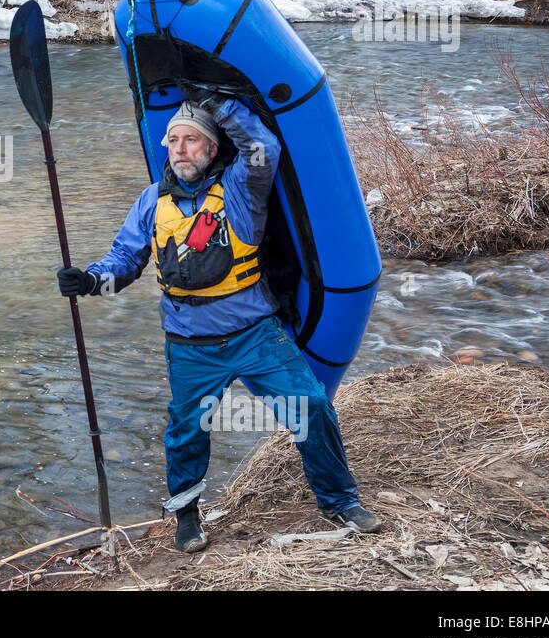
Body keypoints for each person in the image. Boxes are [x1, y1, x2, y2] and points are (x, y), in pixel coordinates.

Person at [56, 90, 381, 552]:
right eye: (173, 140)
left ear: (211, 149)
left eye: (192, 140)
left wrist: (219, 105)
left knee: (309, 405)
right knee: (187, 432)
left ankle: (339, 500)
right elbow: (124, 263)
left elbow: (263, 148)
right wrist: (91, 282)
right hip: (190, 345)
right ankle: (187, 516)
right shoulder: (151, 202)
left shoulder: (239, 189)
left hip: (255, 336)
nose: (180, 148)